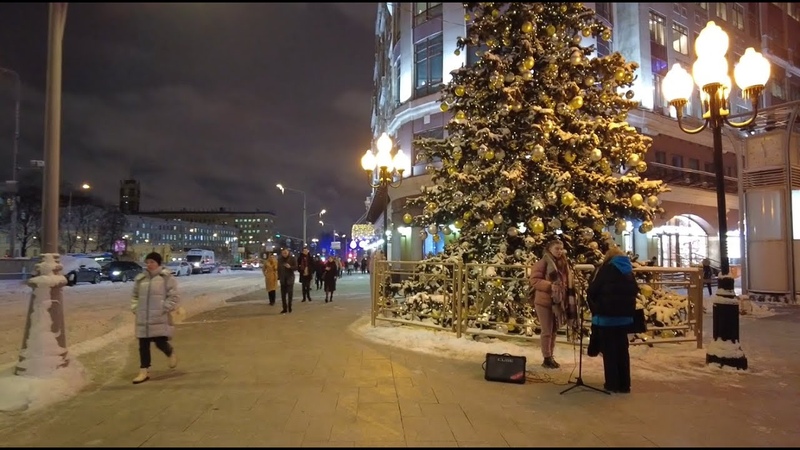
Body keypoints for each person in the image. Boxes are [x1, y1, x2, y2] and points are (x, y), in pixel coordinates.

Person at [586, 246, 638, 393]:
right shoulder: (628, 271)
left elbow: (592, 290)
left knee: (610, 351)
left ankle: (612, 384)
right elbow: (634, 290)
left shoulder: (606, 270)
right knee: (622, 351)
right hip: (624, 318)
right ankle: (625, 385)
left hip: (606, 317)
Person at [130, 251, 179, 384]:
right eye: (147, 262)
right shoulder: (141, 278)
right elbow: (134, 296)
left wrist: (165, 307)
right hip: (143, 318)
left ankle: (169, 352)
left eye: (152, 262)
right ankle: (143, 371)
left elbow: (173, 296)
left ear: (158, 263)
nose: (149, 264)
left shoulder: (166, 277)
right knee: (143, 345)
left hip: (159, 316)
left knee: (159, 342)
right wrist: (135, 308)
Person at [529, 239, 574, 369]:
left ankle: (550, 356)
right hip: (544, 301)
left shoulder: (563, 264)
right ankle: (546, 357)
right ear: (550, 250)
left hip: (557, 302)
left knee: (554, 330)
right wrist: (551, 286)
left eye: (561, 249)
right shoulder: (543, 263)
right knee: (547, 330)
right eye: (556, 249)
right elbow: (535, 280)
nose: (559, 251)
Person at [277, 248, 298, 314]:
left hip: (290, 279)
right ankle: (284, 308)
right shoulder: (280, 259)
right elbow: (278, 269)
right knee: (283, 295)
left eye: (286, 253)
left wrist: (290, 267)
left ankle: (290, 307)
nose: (284, 254)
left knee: (290, 294)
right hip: (283, 279)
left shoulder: (292, 258)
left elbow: (296, 267)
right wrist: (278, 277)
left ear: (288, 252)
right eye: (283, 253)